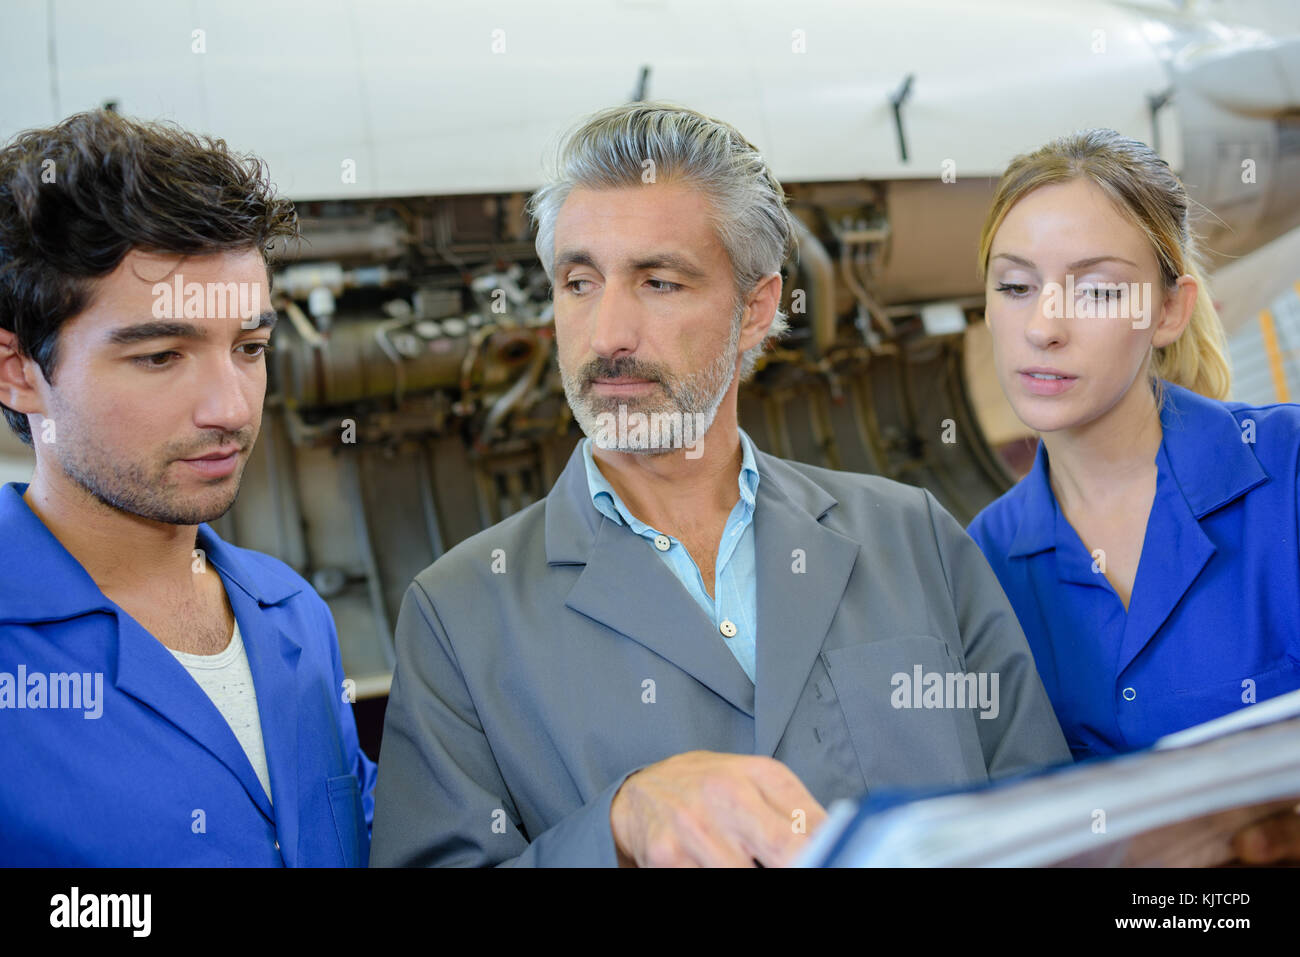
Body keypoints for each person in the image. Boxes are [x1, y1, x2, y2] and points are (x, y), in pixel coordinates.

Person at [370, 102, 1071, 868]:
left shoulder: (915, 538)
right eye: (579, 281)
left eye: (659, 282)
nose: (607, 335)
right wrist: (615, 828)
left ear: (755, 309)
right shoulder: (458, 615)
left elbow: (1049, 825)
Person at [0, 110, 377, 865]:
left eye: (250, 348)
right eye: (162, 356)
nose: (232, 408)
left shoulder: (293, 616)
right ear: (19, 371)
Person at [966, 129, 1300, 861]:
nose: (1043, 328)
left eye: (1098, 289)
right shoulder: (975, 566)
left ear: (1170, 310)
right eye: (1015, 286)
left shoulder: (1289, 469)